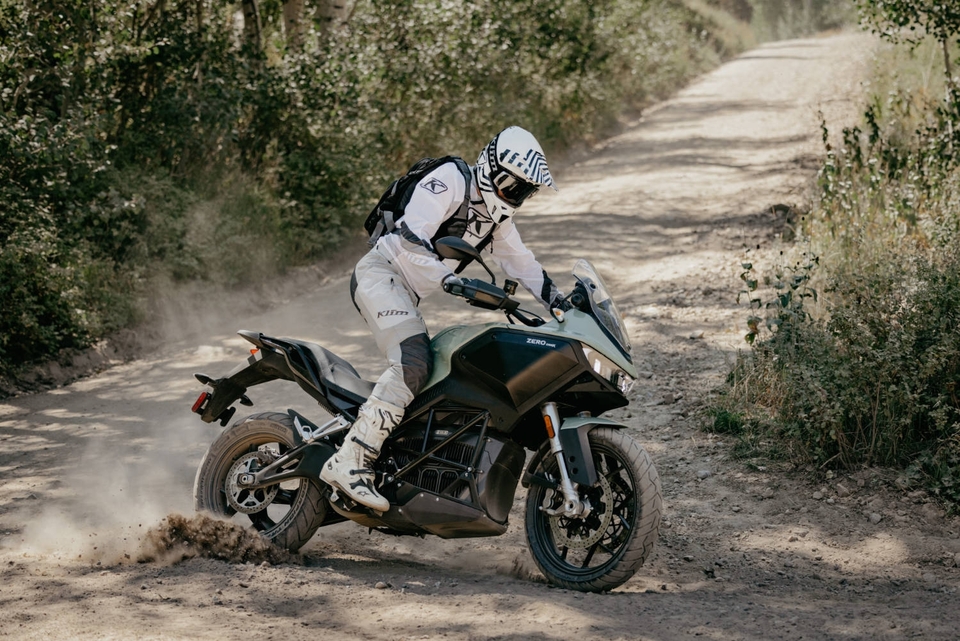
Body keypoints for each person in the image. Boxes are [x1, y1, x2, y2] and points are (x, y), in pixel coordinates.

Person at [320, 126, 564, 510]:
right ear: (492, 169)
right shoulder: (450, 179)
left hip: (407, 291)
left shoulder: (496, 221)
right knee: (413, 361)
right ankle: (350, 460)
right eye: (511, 186)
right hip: (381, 273)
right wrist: (450, 278)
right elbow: (409, 236)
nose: (515, 197)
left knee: (445, 373)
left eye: (523, 191)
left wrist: (561, 303)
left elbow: (523, 264)